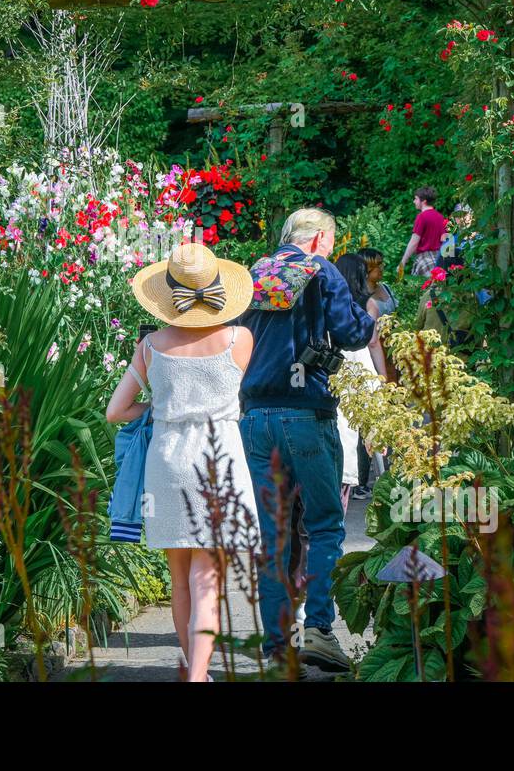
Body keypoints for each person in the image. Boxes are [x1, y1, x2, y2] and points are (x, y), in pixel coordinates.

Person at [106, 242, 257, 682]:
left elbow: (116, 411)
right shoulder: (239, 339)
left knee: (179, 575)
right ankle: (198, 677)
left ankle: (194, 669)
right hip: (218, 460)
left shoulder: (151, 346)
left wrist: (159, 409)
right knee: (208, 577)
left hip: (167, 464)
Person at [238, 208, 375, 672]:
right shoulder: (322, 270)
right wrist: (370, 314)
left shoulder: (256, 271)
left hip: (255, 416)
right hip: (306, 414)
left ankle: (276, 645)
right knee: (324, 525)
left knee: (272, 535)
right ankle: (318, 630)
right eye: (332, 243)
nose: (332, 251)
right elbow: (353, 334)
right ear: (318, 239)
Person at [335, 249, 396, 501]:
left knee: (348, 426)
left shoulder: (335, 304)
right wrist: (382, 377)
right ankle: (383, 483)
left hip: (342, 367)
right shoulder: (366, 303)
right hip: (366, 364)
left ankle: (356, 481)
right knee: (373, 426)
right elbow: (372, 342)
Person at [398, 186, 448, 278]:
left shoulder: (422, 217)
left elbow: (414, 242)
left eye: (416, 199)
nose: (414, 201)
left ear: (424, 201)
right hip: (440, 260)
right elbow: (446, 240)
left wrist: (402, 263)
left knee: (421, 290)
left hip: (425, 260)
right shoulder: (440, 217)